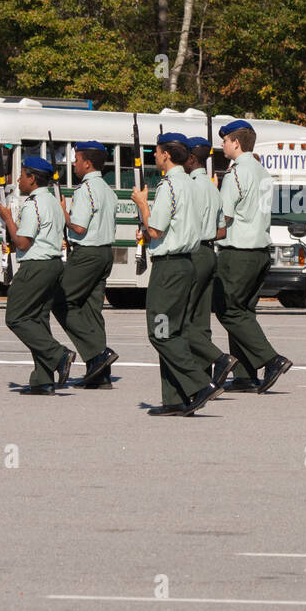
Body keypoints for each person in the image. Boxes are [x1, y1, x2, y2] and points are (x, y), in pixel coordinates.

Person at [131, 132, 218, 416]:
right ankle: (175, 398)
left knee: (160, 331)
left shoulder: (169, 185)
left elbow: (156, 229)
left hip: (169, 266)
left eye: (156, 152)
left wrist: (142, 204)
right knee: (174, 331)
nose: (154, 157)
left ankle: (200, 384)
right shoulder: (192, 183)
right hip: (187, 262)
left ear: (166, 154)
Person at [213, 119, 292, 394]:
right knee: (244, 311)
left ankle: (271, 359)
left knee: (228, 309)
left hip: (239, 251)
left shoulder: (235, 174)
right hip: (259, 250)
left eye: (224, 140)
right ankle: (245, 374)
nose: (222, 145)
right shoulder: (262, 172)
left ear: (236, 142)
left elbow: (224, 216)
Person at [0, 156, 76, 395]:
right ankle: (43, 379)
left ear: (32, 178)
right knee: (38, 320)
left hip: (35, 265)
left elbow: (22, 242)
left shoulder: (33, 204)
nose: (19, 180)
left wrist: (9, 219)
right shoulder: (52, 201)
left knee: (17, 318)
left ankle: (59, 355)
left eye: (22, 175)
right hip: (52, 265)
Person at [53, 140, 120, 389]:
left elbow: (79, 226)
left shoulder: (86, 190)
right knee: (92, 311)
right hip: (104, 252)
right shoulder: (107, 189)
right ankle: (100, 374)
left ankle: (96, 355)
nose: (74, 164)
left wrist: (63, 214)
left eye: (77, 159)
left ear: (87, 163)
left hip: (87, 253)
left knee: (59, 300)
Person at [184, 137, 238, 387]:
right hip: (209, 251)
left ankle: (214, 362)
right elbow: (222, 231)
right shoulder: (212, 187)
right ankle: (205, 373)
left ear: (192, 159)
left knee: (183, 318)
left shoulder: (190, 186)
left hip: (193, 253)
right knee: (201, 319)